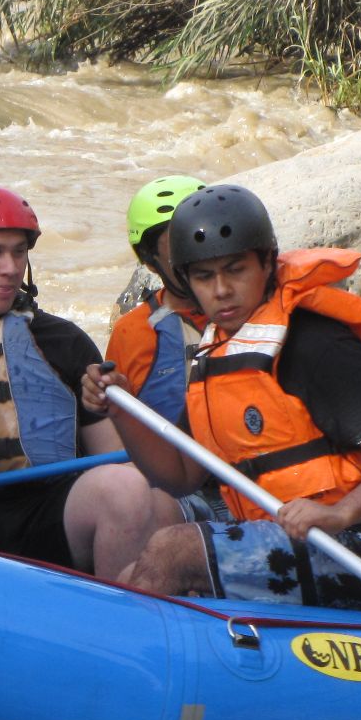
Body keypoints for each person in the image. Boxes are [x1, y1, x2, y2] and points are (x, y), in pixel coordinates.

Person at [85, 184, 361, 610]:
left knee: (172, 551)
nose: (222, 290)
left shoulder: (314, 343)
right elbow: (179, 476)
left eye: (236, 270)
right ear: (187, 281)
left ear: (267, 262)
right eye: (205, 277)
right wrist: (121, 409)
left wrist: (340, 514)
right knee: (129, 577)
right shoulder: (217, 354)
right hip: (285, 537)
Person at [0, 184, 180, 581]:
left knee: (125, 485)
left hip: (51, 509)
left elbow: (114, 456)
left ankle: (120, 622)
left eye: (18, 251)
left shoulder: (63, 340)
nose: (10, 267)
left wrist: (114, 404)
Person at [104, 175, 229, 523]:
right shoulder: (134, 333)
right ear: (149, 260)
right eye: (179, 243)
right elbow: (117, 438)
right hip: (183, 494)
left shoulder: (256, 314)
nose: (195, 253)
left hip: (260, 484)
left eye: (200, 236)